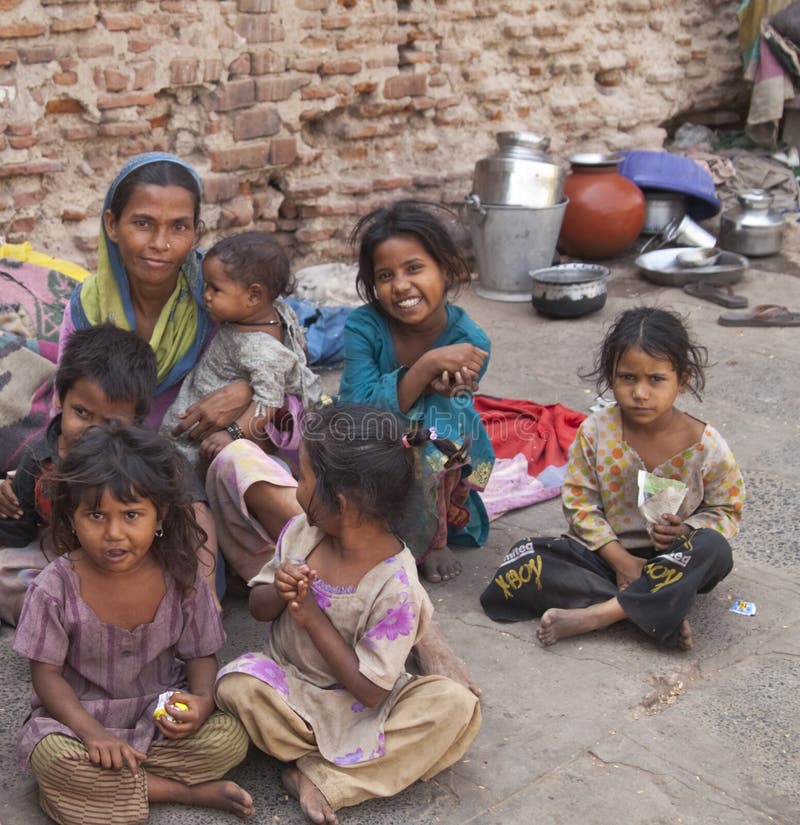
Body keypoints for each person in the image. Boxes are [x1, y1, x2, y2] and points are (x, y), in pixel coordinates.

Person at [214, 404, 481, 825]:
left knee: (454, 706)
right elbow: (258, 608)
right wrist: (279, 589)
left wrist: (313, 620)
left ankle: (323, 777)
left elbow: (372, 693)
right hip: (290, 694)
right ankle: (358, 763)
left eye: (302, 477)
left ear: (339, 502)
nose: (297, 486)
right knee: (236, 684)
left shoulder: (396, 586)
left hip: (368, 707)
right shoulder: (303, 531)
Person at [13, 423, 253, 824]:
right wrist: (93, 733)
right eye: (95, 515)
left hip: (158, 718)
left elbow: (202, 656)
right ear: (71, 517)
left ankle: (114, 787)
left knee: (231, 737)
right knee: (52, 759)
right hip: (77, 723)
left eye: (131, 514)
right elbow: (47, 677)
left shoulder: (181, 577)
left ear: (158, 514)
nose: (113, 533)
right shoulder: (55, 587)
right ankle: (181, 791)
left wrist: (202, 701)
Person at [480, 307, 746, 649]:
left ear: (684, 379)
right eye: (627, 378)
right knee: (527, 557)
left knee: (715, 549)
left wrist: (686, 531)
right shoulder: (596, 431)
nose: (640, 393)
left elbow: (727, 509)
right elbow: (579, 504)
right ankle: (653, 610)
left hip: (673, 560)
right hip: (603, 556)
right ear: (611, 376)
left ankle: (601, 614)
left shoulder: (706, 445)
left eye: (656, 379)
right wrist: (621, 560)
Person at [338, 200, 495, 584]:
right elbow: (361, 411)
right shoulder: (363, 327)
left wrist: (445, 386)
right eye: (385, 275)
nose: (401, 286)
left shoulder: (470, 341)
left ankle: (434, 536)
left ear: (446, 269)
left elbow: (457, 406)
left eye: (414, 269)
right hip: (371, 438)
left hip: (437, 451)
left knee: (439, 430)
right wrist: (425, 367)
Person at [0, 323, 158, 625]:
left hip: (126, 560)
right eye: (82, 413)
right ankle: (71, 621)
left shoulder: (144, 463)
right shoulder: (38, 460)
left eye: (111, 422)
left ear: (136, 422)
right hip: (60, 561)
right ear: (60, 398)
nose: (92, 431)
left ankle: (89, 619)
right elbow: (15, 534)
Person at [160, 231, 321, 472]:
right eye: (206, 286)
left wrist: (232, 434)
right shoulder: (265, 313)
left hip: (203, 440)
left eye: (215, 289)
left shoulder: (262, 350)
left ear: (254, 296)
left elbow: (268, 403)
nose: (206, 296)